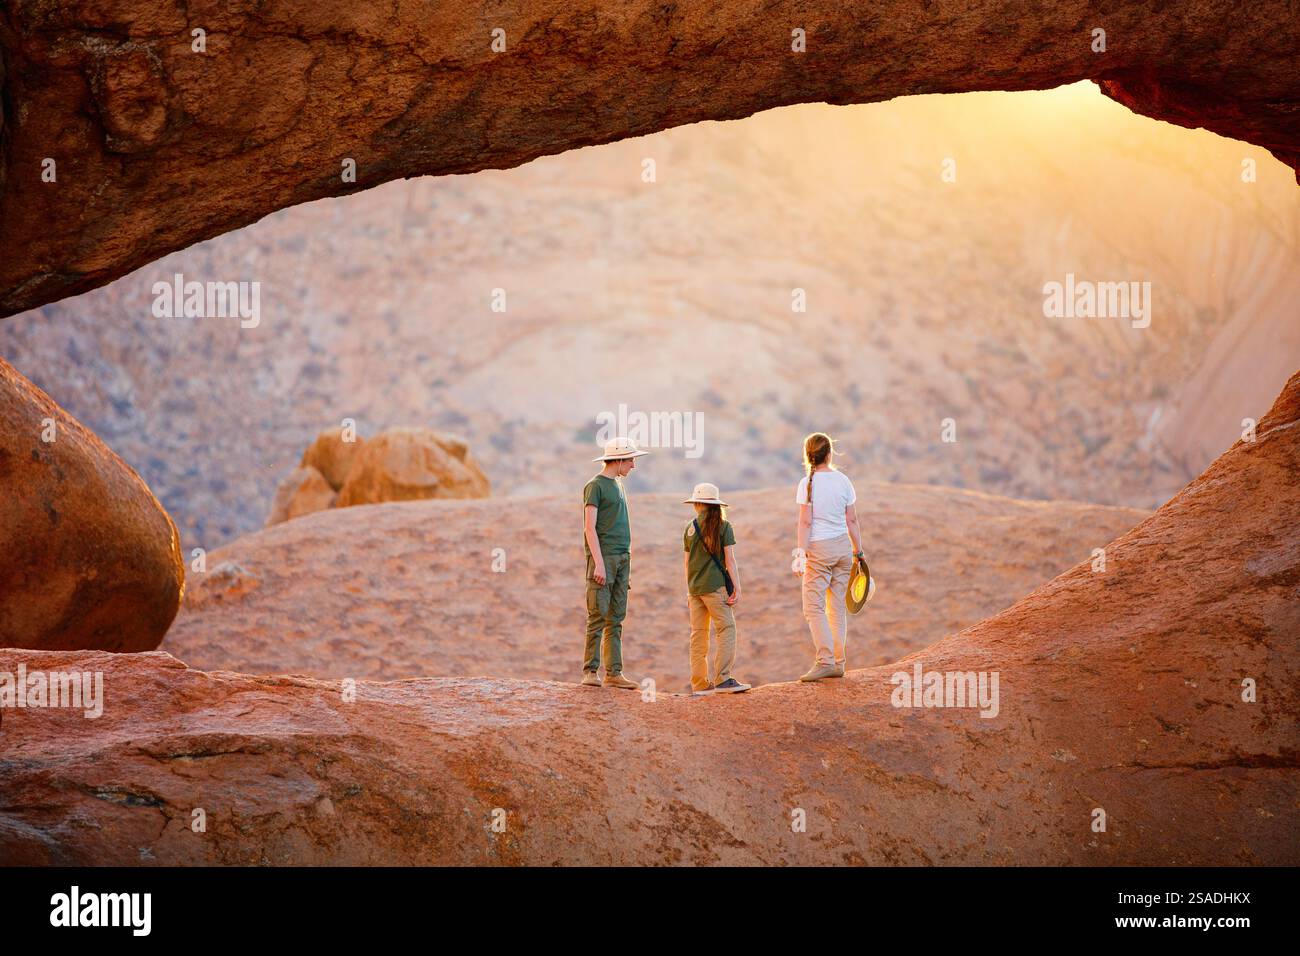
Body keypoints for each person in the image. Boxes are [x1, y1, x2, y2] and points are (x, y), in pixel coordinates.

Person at [793, 432, 865, 682]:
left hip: (819, 549)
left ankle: (825, 661)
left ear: (808, 455)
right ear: (829, 454)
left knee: (813, 607)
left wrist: (801, 553)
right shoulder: (843, 481)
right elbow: (852, 520)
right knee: (836, 608)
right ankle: (839, 662)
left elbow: (805, 522)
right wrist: (858, 551)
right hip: (843, 548)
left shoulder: (807, 483)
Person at [580, 437, 648, 689]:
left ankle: (614, 673)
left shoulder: (619, 485)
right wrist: (598, 563)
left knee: (616, 618)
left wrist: (625, 565)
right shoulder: (594, 486)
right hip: (604, 557)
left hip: (622, 558)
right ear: (618, 459)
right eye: (630, 460)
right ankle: (590, 671)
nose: (633, 465)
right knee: (597, 616)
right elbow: (589, 527)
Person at [682, 483, 750, 696]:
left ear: (698, 504)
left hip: (694, 589)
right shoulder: (723, 526)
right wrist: (737, 587)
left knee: (698, 635)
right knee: (726, 629)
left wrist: (692, 586)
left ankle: (700, 684)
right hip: (714, 587)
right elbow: (730, 560)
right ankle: (723, 679)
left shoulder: (690, 528)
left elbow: (687, 563)